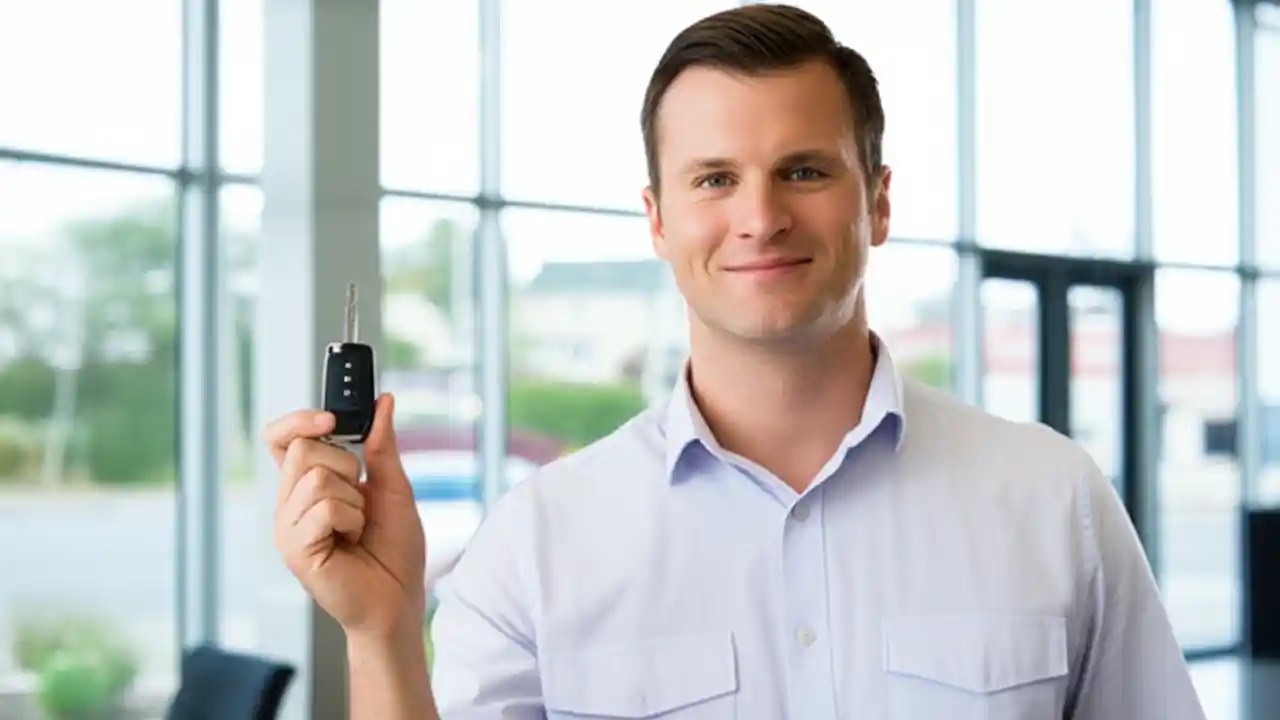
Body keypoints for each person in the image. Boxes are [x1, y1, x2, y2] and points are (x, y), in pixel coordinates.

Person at [264, 4, 1208, 718]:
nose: (761, 217)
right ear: (659, 218)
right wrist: (379, 636)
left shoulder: (1054, 500)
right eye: (716, 179)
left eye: (804, 170)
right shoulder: (537, 543)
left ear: (877, 203)